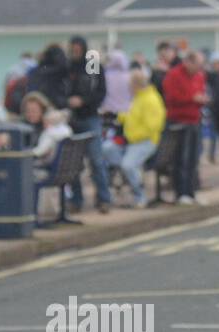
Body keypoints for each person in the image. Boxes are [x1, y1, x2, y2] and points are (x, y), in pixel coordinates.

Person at [104, 68, 164, 209]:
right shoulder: (140, 97)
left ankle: (140, 195)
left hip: (145, 141)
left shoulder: (150, 99)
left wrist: (131, 136)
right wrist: (118, 116)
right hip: (133, 141)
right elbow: (133, 117)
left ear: (136, 84)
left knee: (128, 165)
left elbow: (152, 127)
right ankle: (130, 179)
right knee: (107, 149)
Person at [66, 35, 113, 214]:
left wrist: (83, 101)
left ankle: (103, 198)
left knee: (96, 159)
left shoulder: (91, 64)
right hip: (71, 118)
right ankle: (76, 199)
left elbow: (97, 91)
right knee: (73, 162)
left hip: (89, 116)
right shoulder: (67, 66)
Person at [161, 49, 208, 204]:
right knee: (181, 158)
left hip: (194, 120)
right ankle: (181, 192)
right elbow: (171, 97)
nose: (199, 69)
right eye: (197, 65)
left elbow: (200, 92)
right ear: (188, 62)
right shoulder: (174, 75)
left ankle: (190, 191)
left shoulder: (199, 76)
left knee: (193, 159)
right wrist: (192, 98)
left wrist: (201, 99)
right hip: (178, 122)